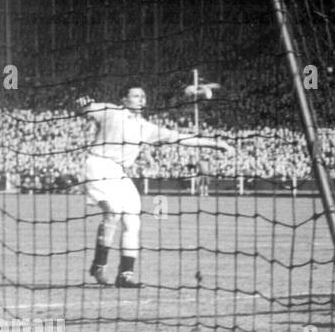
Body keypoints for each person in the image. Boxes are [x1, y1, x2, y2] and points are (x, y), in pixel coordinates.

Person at [76, 85, 233, 288]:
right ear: (125, 100)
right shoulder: (111, 111)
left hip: (120, 173)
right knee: (113, 213)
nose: (141, 99)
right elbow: (87, 108)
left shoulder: (146, 128)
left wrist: (215, 143)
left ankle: (125, 276)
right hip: (98, 165)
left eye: (143, 96)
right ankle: (99, 265)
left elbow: (180, 138)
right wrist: (83, 104)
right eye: (135, 95)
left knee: (132, 221)